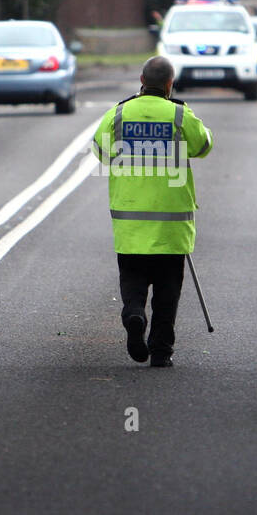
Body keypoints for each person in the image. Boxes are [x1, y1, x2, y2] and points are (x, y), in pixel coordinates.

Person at [91, 56, 214, 367]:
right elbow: (202, 146)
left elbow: (100, 153)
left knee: (132, 278)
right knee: (167, 289)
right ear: (170, 84)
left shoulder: (119, 113)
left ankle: (133, 314)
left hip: (130, 221)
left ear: (141, 81)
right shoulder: (179, 114)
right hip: (171, 223)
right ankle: (160, 350)